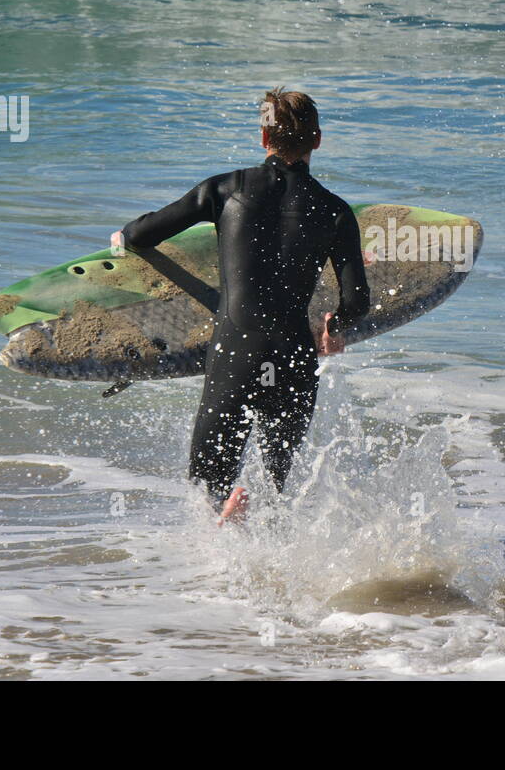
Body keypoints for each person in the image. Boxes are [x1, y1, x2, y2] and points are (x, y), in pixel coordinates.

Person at [111, 88, 370, 524]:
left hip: (236, 354)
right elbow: (357, 301)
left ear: (264, 138)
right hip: (293, 359)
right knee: (275, 486)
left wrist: (124, 237)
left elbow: (142, 234)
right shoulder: (335, 212)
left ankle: (221, 532)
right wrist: (333, 326)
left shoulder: (225, 190)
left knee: (205, 488)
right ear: (318, 141)